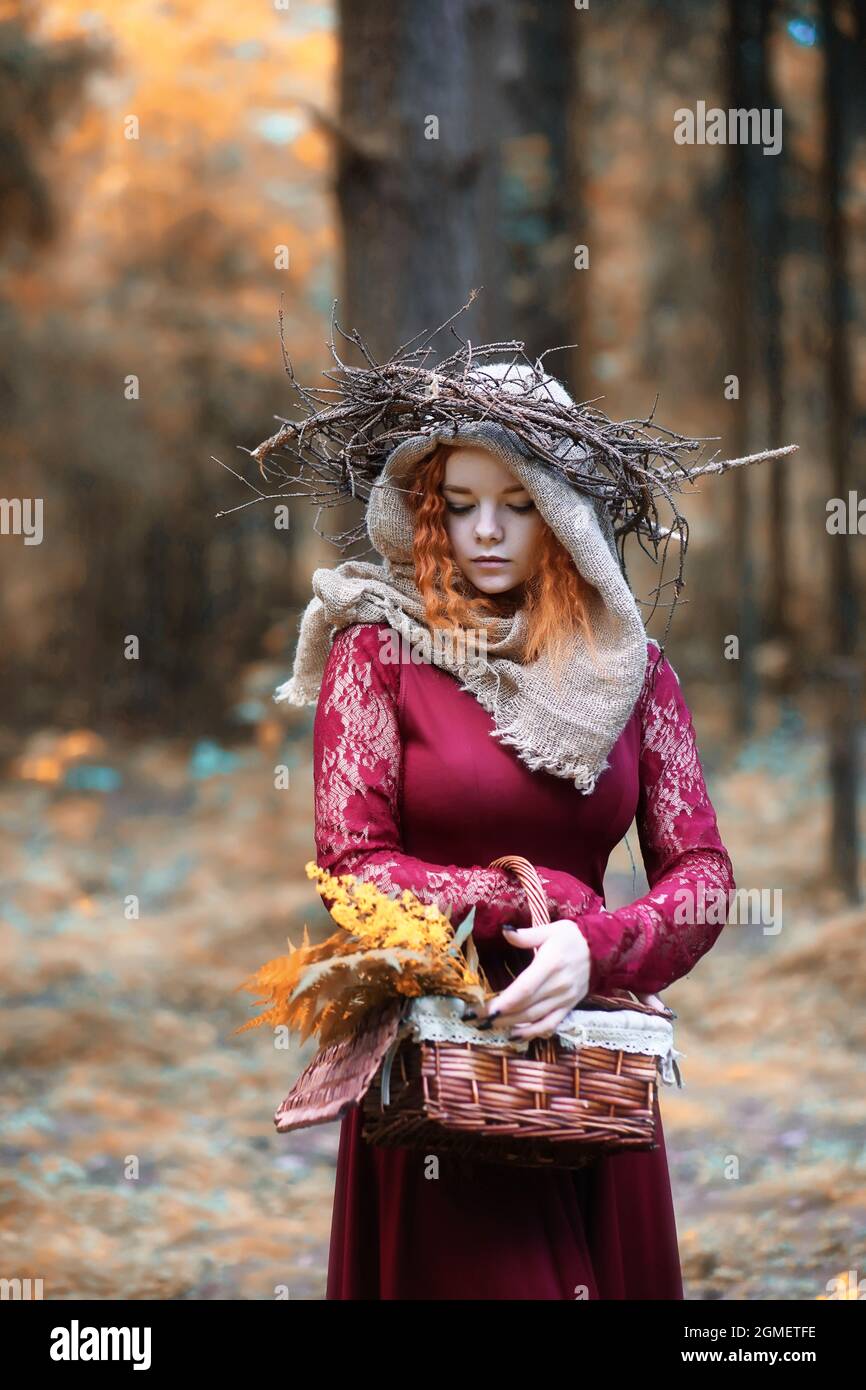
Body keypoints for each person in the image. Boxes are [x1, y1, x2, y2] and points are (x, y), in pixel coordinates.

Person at [277, 361, 736, 1299]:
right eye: (458, 501)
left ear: (563, 514)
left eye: (517, 503)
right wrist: (539, 903)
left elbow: (704, 872)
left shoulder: (630, 673)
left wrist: (594, 948)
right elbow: (351, 870)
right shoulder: (379, 648)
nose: (483, 531)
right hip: (442, 1062)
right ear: (428, 509)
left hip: (589, 1066)